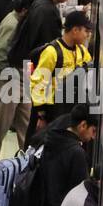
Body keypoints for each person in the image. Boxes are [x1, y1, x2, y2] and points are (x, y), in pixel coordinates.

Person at [0, 0, 35, 165]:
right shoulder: (12, 24)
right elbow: (0, 54)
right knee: (2, 122)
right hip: (8, 79)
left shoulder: (18, 22)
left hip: (20, 78)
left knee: (25, 120)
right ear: (24, 10)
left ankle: (28, 157)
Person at [26, 8, 93, 142]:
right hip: (51, 113)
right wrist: (41, 116)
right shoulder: (52, 52)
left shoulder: (82, 51)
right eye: (86, 31)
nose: (87, 35)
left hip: (69, 111)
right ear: (75, 30)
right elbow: (38, 84)